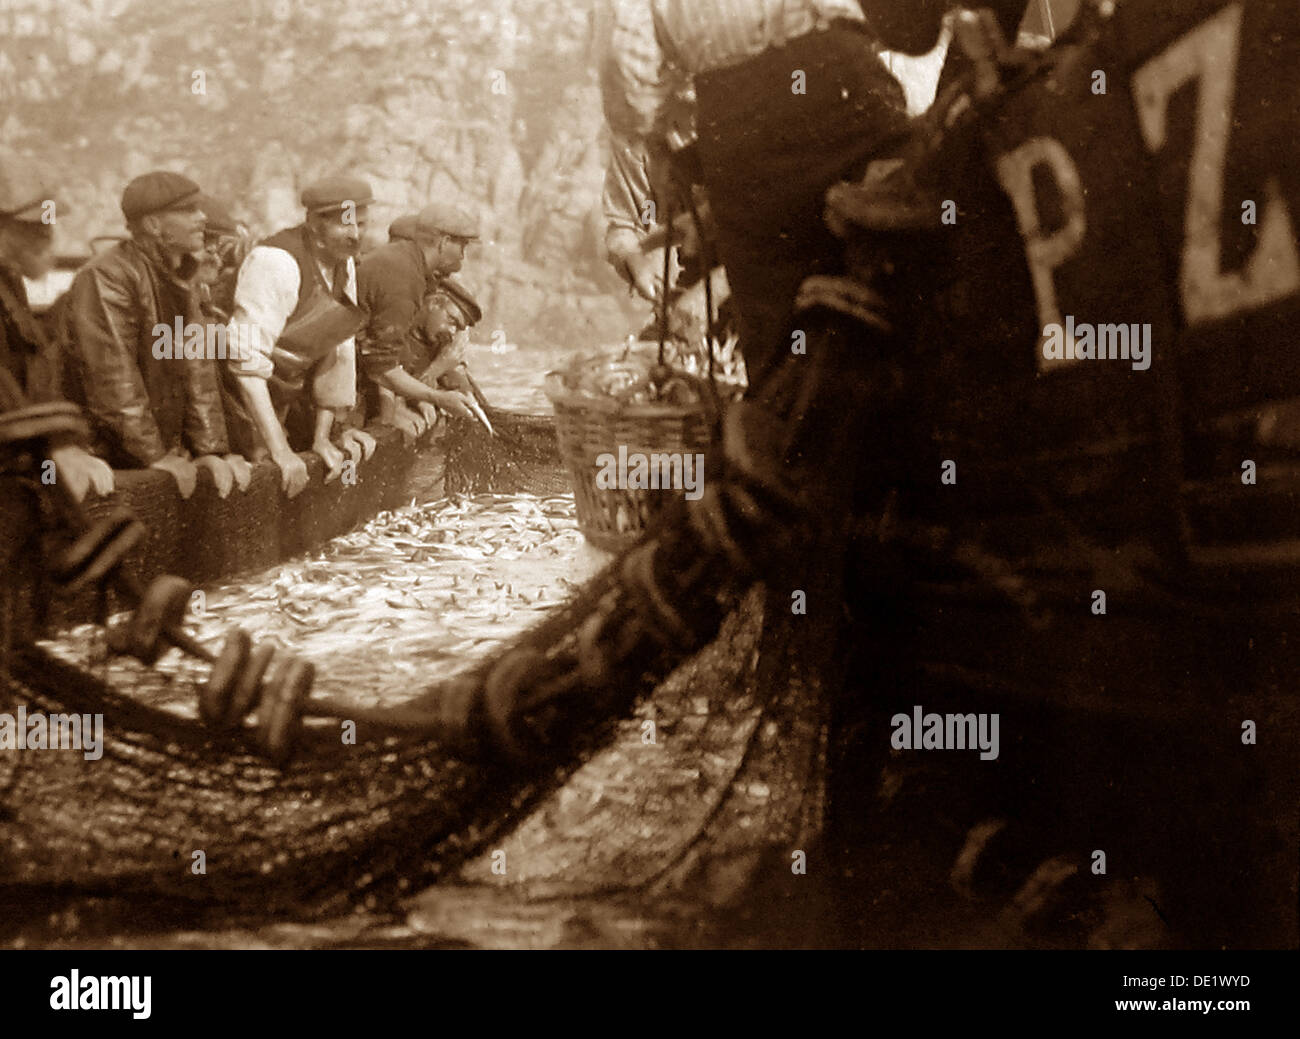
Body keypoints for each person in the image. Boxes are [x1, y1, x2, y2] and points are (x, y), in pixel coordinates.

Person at [598, 0, 909, 397]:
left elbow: (625, 51)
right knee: (885, 277)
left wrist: (655, 142)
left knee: (780, 332)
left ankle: (793, 439)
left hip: (746, 103)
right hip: (852, 74)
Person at [59, 171, 249, 499]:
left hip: (147, 450)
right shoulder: (108, 276)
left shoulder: (182, 277)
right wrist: (154, 457)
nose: (202, 217)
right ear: (153, 225)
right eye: (188, 210)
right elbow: (115, 380)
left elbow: (197, 369)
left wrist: (211, 451)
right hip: (101, 453)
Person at [225, 176, 375, 496]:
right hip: (233, 396)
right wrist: (280, 450)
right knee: (258, 472)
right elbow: (245, 364)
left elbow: (339, 344)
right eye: (345, 226)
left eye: (361, 224)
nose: (355, 235)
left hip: (283, 393)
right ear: (314, 224)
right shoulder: (275, 262)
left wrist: (324, 436)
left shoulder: (344, 264)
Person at [0, 155, 113, 503]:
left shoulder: (10, 283)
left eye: (48, 222)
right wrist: (56, 449)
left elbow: (30, 375)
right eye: (33, 225)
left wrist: (65, 447)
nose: (48, 234)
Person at [356, 202, 479, 437]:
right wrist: (436, 398)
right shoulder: (404, 278)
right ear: (443, 242)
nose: (463, 255)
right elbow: (382, 367)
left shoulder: (408, 268)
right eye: (461, 246)